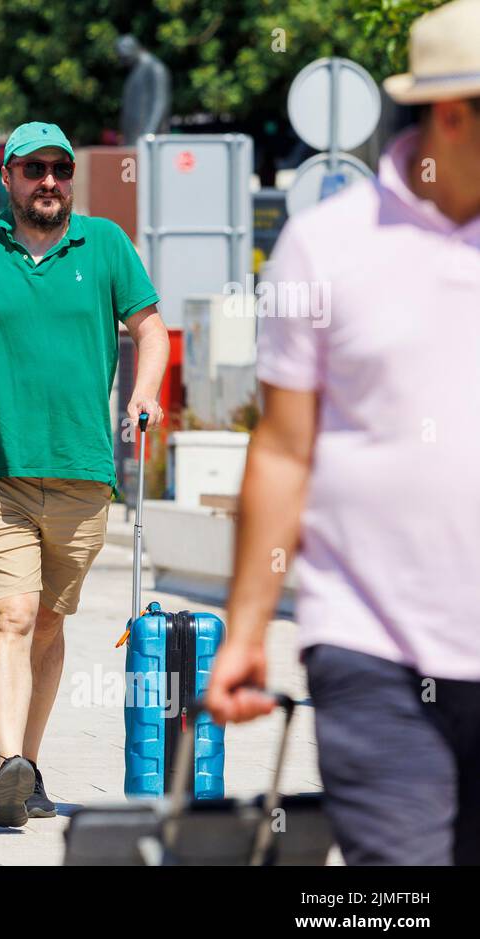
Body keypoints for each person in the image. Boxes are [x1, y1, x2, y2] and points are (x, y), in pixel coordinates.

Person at [205, 0, 480, 865]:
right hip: (370, 641)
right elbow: (285, 448)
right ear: (452, 111)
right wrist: (247, 631)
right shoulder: (327, 247)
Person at [0, 122, 169, 828]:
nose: (48, 181)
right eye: (33, 170)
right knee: (11, 616)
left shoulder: (107, 244)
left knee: (49, 623)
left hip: (85, 472)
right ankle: (5, 764)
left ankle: (26, 765)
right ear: (8, 179)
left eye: (59, 168)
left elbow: (150, 328)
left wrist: (145, 391)